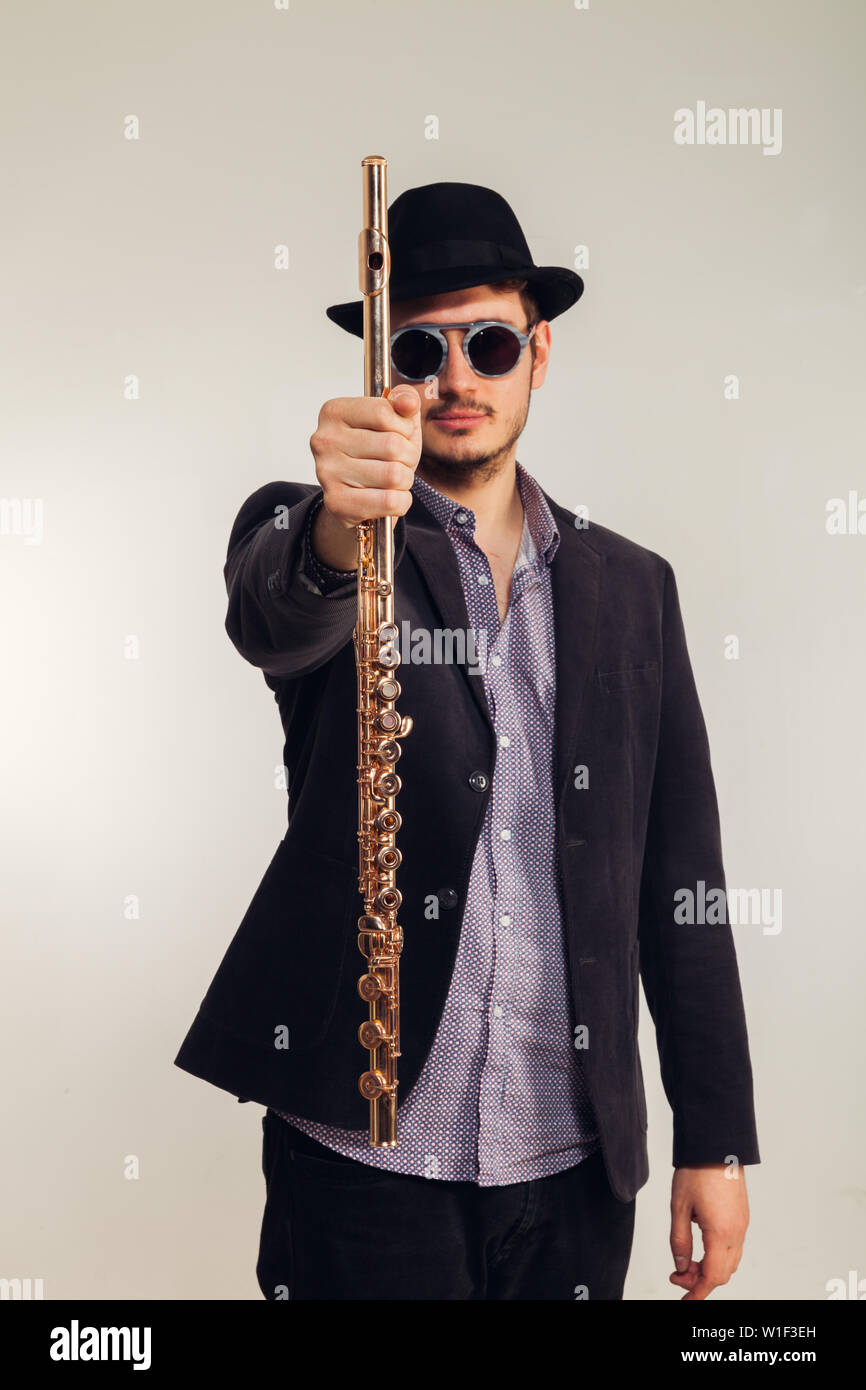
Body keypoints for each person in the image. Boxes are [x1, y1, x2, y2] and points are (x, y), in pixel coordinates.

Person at [174, 180, 760, 1301]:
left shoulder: (634, 587)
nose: (454, 379)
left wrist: (713, 1135)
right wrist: (340, 525)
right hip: (363, 1165)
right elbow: (274, 610)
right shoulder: (316, 531)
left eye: (487, 343)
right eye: (418, 350)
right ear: (379, 371)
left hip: (576, 1165)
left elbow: (682, 879)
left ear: (537, 356)